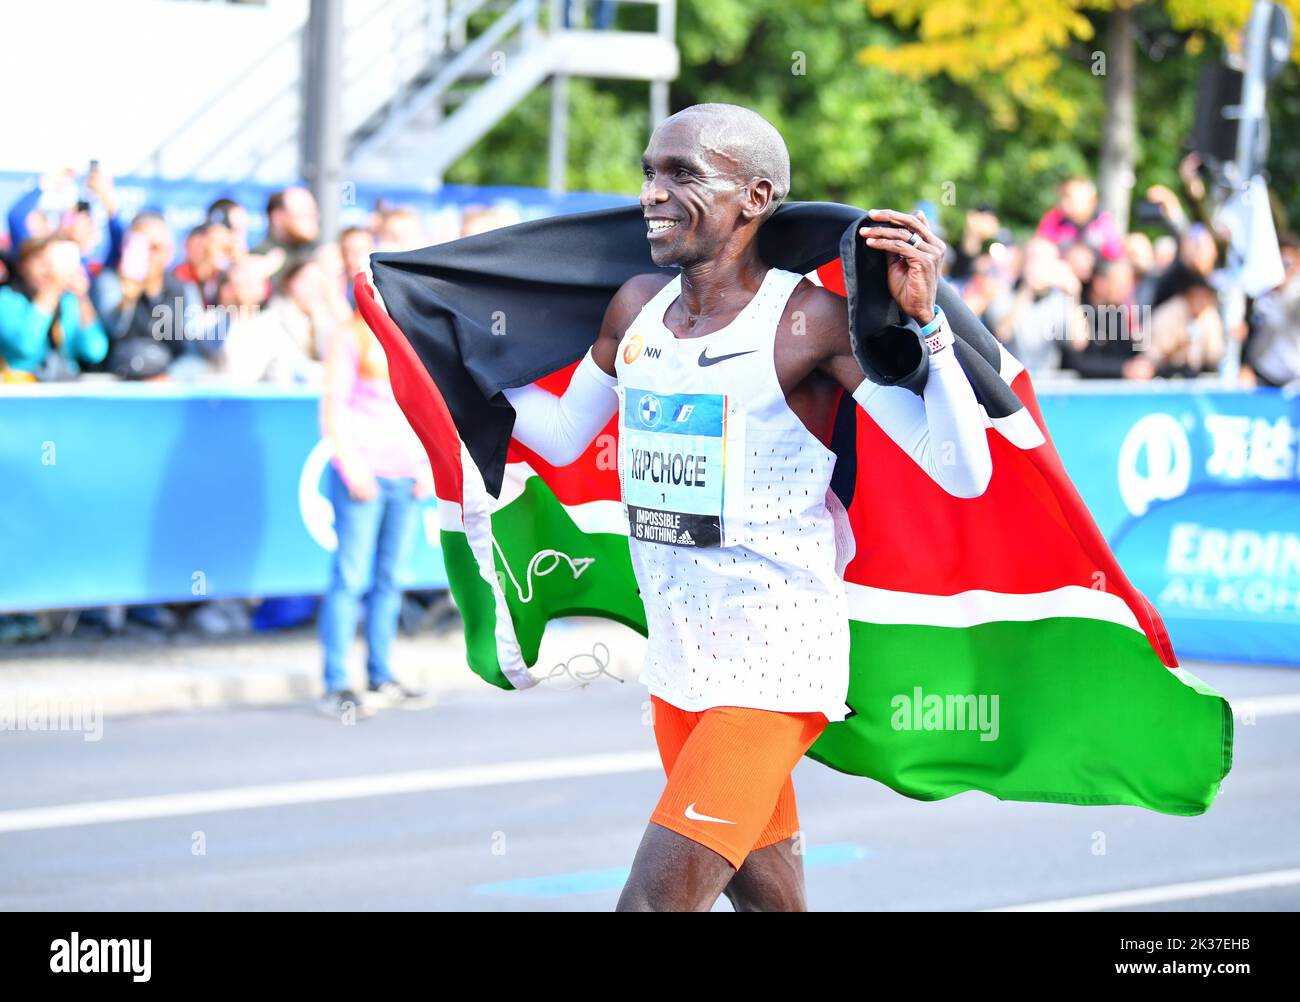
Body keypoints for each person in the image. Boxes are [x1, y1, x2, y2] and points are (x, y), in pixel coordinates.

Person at [501, 103, 991, 911]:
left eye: (682, 175)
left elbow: (960, 472)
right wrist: (443, 358)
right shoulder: (636, 309)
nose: (654, 193)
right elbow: (557, 435)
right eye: (649, 172)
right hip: (678, 662)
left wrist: (929, 328)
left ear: (756, 197)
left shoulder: (807, 322)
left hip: (772, 668)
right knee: (771, 905)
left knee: (654, 903)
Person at [317, 313, 436, 718]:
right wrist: (353, 467)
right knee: (350, 578)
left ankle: (380, 674)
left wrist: (424, 467)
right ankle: (335, 683)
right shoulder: (351, 334)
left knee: (390, 579)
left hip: (405, 477)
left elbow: (427, 405)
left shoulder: (413, 332)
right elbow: (334, 405)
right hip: (365, 476)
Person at [0, 237, 107, 378]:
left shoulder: (68, 301)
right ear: (22, 265)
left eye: (52, 261)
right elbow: (25, 347)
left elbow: (95, 351)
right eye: (40, 260)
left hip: (64, 386)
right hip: (22, 388)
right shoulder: (7, 299)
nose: (48, 268)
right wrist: (51, 290)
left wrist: (82, 297)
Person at [1036, 177, 1124, 262]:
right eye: (1063, 196)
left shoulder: (1103, 221)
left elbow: (1115, 252)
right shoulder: (1055, 218)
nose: (1064, 202)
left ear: (1091, 201)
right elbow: (1041, 244)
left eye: (1069, 197)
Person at [252, 186, 320, 287]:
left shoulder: (312, 251)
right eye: (305, 215)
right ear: (278, 217)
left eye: (314, 213)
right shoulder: (260, 258)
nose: (314, 219)